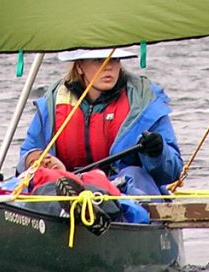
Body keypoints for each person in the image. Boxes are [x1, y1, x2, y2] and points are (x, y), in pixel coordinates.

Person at [17, 47, 183, 227]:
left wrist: (157, 153)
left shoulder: (144, 101)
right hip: (69, 187)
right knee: (43, 180)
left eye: (114, 60)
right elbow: (27, 156)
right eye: (98, 60)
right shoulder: (53, 103)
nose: (108, 67)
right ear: (79, 66)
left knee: (134, 174)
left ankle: (107, 212)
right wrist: (33, 160)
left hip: (126, 192)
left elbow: (172, 171)